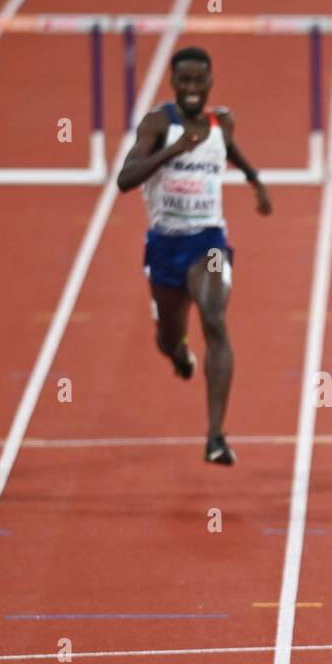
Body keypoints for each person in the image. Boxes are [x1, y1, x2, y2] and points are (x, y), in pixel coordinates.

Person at [116, 46, 272, 465]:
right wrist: (174, 149)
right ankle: (180, 351)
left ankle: (216, 436)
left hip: (209, 242)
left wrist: (256, 180)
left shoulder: (222, 122)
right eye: (182, 80)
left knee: (215, 317)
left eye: (197, 81)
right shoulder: (156, 125)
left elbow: (228, 147)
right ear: (173, 83)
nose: (189, 88)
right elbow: (125, 179)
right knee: (167, 338)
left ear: (209, 83)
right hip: (165, 246)